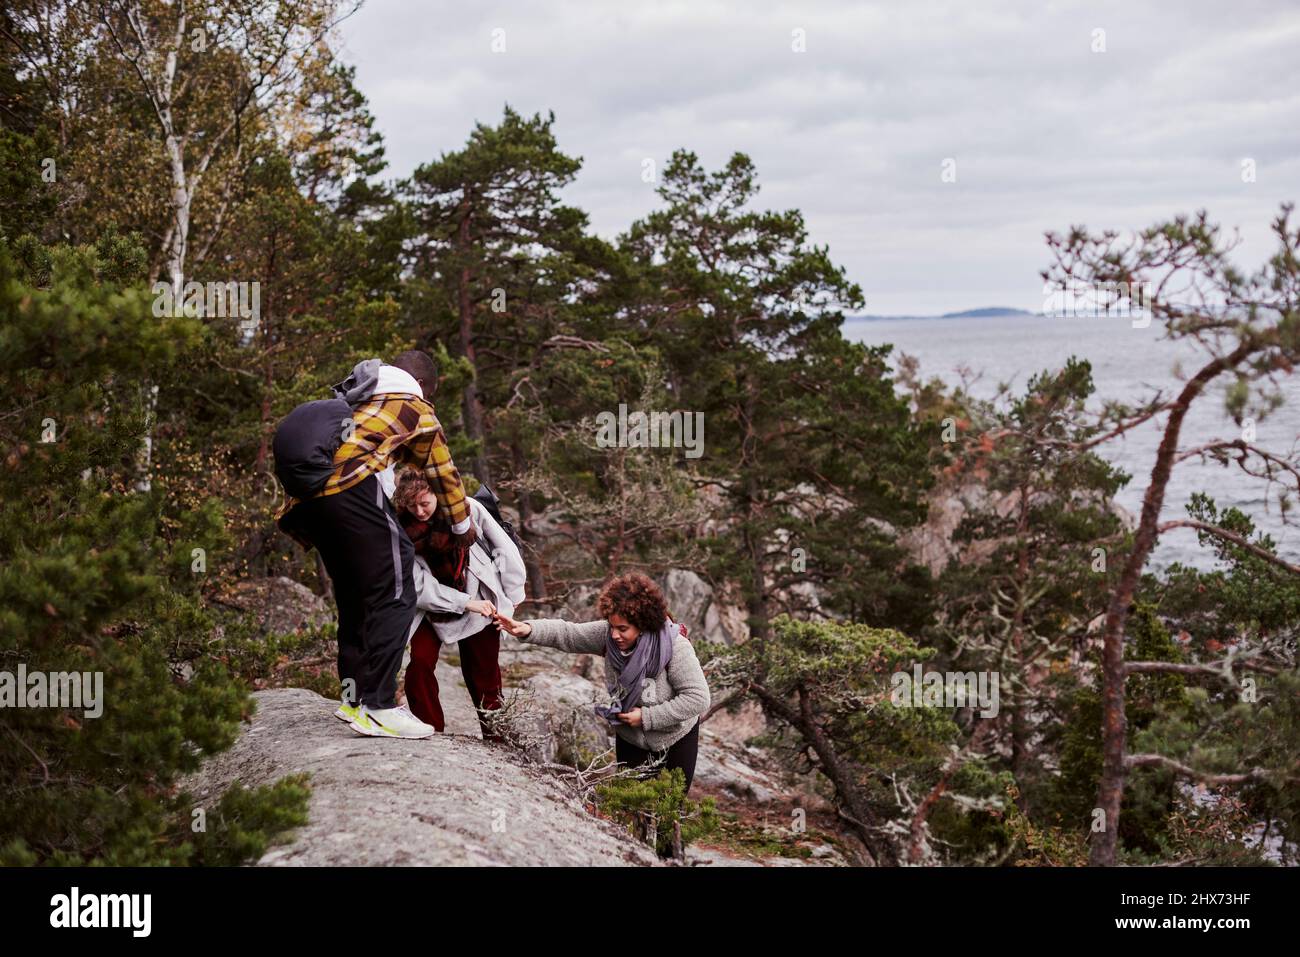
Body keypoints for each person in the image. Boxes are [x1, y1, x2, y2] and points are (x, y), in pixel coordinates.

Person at [276, 351, 476, 739]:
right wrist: (461, 523)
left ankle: (354, 698)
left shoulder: (359, 397)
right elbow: (442, 472)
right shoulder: (413, 404)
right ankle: (379, 705)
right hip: (348, 488)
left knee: (356, 594)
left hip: (308, 502)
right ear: (422, 386)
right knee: (398, 587)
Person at [492, 572, 710, 792]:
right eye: (612, 626)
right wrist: (528, 629)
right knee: (630, 803)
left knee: (670, 806)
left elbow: (698, 698)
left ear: (643, 625)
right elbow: (569, 634)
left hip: (675, 737)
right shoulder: (609, 635)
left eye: (622, 629)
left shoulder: (675, 647)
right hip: (631, 737)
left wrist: (646, 717)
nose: (614, 635)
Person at [394, 468, 526, 739]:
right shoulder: (399, 529)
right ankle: (428, 730)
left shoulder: (469, 509)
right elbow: (416, 585)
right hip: (431, 605)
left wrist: (511, 598)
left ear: (437, 495)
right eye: (411, 505)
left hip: (480, 593)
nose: (419, 511)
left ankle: (497, 738)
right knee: (419, 663)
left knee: (484, 674)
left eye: (424, 503)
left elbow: (504, 549)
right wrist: (465, 603)